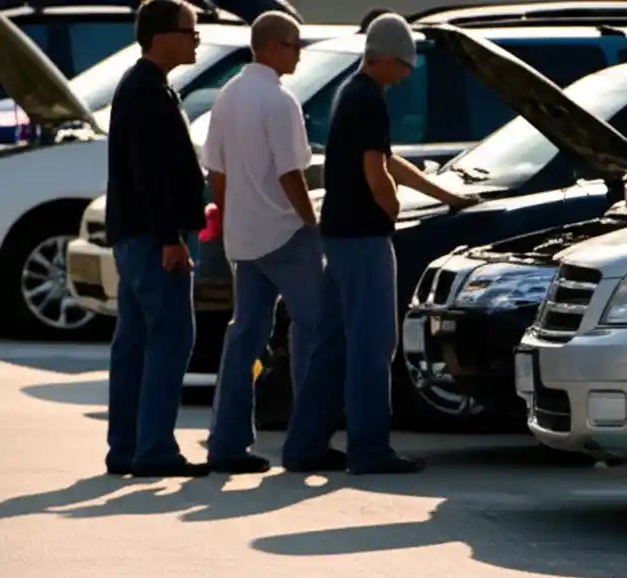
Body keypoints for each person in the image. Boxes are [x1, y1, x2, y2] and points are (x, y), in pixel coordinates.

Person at [281, 12, 478, 475]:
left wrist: (445, 194)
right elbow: (377, 173)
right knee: (373, 346)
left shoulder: (350, 92)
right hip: (365, 239)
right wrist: (392, 211)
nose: (409, 74)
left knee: (331, 344)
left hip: (340, 235)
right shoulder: (369, 99)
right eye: (406, 65)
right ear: (387, 58)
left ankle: (303, 446)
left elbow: (388, 161)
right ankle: (369, 449)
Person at [199, 11, 328, 474]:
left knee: (244, 336)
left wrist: (233, 218)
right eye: (294, 44)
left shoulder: (228, 95)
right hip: (286, 234)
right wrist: (310, 221)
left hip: (245, 238)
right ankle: (306, 441)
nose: (298, 52)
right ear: (272, 46)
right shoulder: (279, 100)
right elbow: (290, 172)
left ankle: (226, 443)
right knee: (313, 331)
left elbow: (217, 172)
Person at [104, 0, 208, 478]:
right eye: (190, 31)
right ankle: (154, 451)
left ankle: (127, 448)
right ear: (162, 35)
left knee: (135, 341)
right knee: (171, 338)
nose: (197, 39)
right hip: (150, 238)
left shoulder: (148, 87)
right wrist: (170, 237)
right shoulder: (145, 91)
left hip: (139, 236)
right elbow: (150, 173)